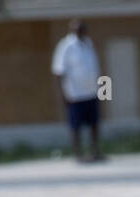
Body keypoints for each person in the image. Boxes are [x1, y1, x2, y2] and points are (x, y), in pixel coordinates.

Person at [51, 20, 104, 162]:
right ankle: (78, 154)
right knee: (76, 126)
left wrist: (103, 92)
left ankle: (95, 151)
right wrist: (62, 94)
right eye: (77, 29)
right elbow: (58, 71)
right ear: (72, 30)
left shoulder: (89, 44)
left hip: (91, 92)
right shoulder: (66, 46)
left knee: (94, 124)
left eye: (82, 29)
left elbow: (95, 69)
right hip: (75, 94)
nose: (80, 32)